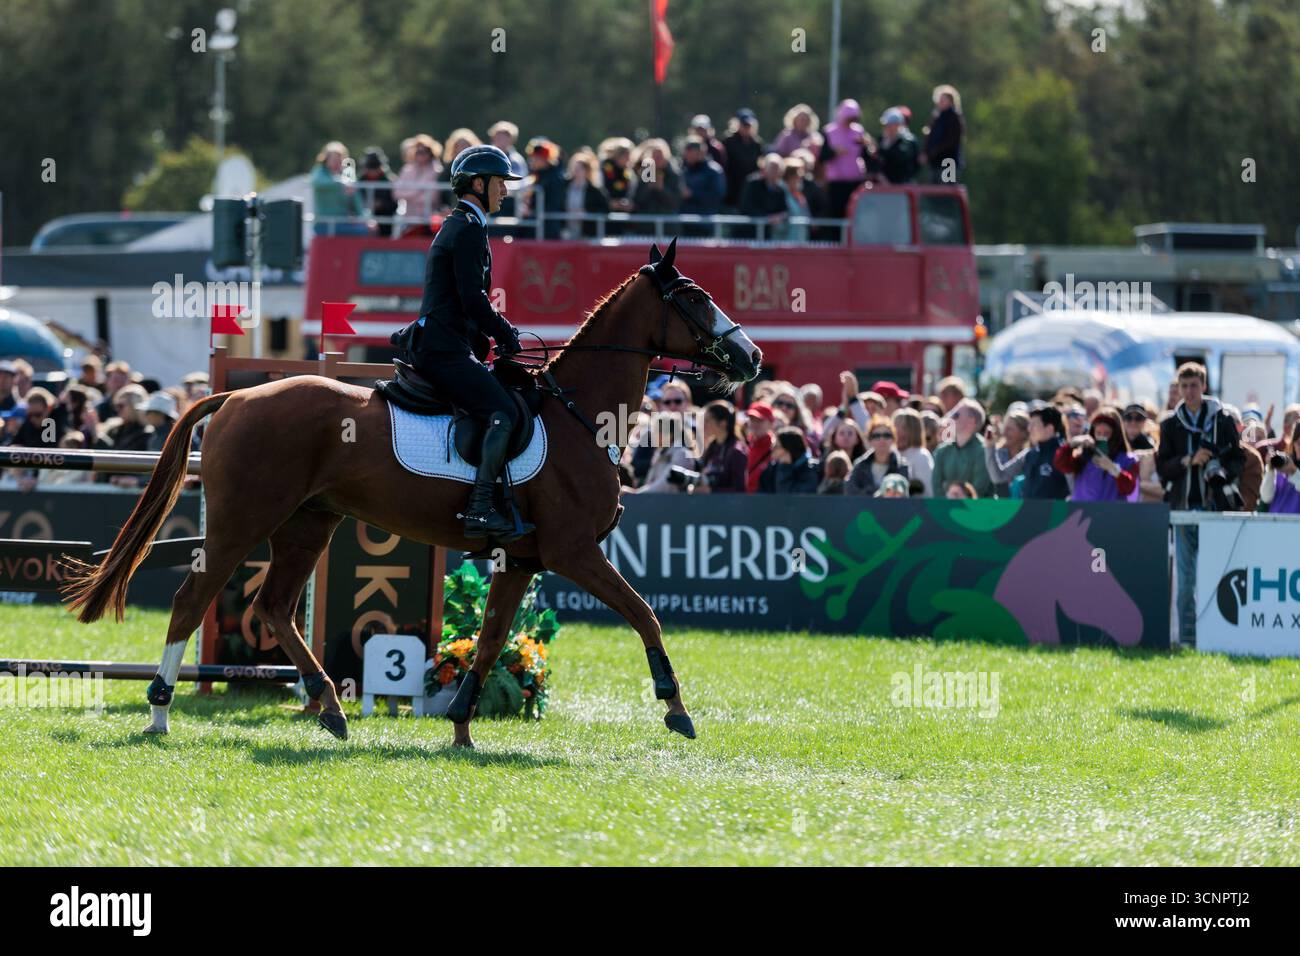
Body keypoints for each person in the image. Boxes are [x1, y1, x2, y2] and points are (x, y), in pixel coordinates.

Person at [389, 144, 530, 541]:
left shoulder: (465, 224)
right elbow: (473, 299)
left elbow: (463, 304)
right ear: (479, 184)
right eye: (500, 183)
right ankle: (480, 508)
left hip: (448, 343)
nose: (505, 191)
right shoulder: (467, 228)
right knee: (502, 410)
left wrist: (488, 342)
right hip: (442, 349)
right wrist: (506, 333)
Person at [1156, 362, 1246, 645]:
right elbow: (1163, 468)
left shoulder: (1222, 418)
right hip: (1183, 509)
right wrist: (1188, 461)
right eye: (1184, 386)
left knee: (1214, 578)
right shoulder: (1170, 424)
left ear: (1204, 386)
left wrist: (1219, 468)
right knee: (1184, 582)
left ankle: (1215, 639)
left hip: (1213, 508)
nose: (1189, 391)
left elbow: (1239, 459)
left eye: (1194, 385)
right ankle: (1186, 640)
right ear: (1178, 389)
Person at [985, 403, 1071, 500]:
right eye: (1030, 424)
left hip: (1055, 514)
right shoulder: (1029, 454)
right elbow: (999, 477)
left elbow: (1075, 492)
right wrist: (990, 447)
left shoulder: (1065, 455)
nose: (1029, 429)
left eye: (1034, 425)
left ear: (1049, 428)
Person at [1053, 407, 1140, 502]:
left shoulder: (1128, 460)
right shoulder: (1083, 457)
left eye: (1106, 434)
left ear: (1116, 435)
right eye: (1098, 433)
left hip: (1111, 514)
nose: (1102, 437)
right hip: (1082, 513)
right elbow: (1061, 465)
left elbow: (1129, 489)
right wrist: (1071, 444)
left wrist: (1113, 469)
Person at [932, 399, 994, 498]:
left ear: (971, 421)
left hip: (980, 511)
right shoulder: (941, 451)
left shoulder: (985, 451)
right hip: (944, 510)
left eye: (956, 415)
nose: (950, 417)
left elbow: (979, 491)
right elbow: (936, 488)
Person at [819, 99, 869, 217]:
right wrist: (834, 152)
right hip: (836, 183)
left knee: (857, 214)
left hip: (856, 180)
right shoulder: (829, 131)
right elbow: (822, 157)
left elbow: (865, 153)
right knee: (837, 212)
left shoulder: (859, 131)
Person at [310, 141, 366, 235]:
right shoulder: (319, 172)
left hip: (344, 222)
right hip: (323, 224)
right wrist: (341, 183)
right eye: (334, 159)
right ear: (326, 159)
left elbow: (356, 202)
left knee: (368, 229)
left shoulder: (347, 174)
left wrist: (364, 219)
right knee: (362, 231)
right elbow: (316, 183)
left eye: (340, 160)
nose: (337, 163)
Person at [693, 401, 748, 493]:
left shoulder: (737, 451)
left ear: (723, 423)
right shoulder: (713, 447)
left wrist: (711, 491)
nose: (703, 425)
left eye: (707, 420)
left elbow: (739, 490)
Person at [847, 416, 910, 495]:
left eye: (886, 435)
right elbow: (851, 492)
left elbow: (902, 495)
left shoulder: (902, 466)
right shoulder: (860, 465)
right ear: (869, 440)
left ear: (894, 439)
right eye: (876, 436)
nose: (882, 439)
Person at [393, 134, 443, 230]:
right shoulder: (406, 170)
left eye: (424, 152)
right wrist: (419, 191)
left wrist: (409, 194)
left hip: (429, 221)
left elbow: (433, 198)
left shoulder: (437, 171)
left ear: (431, 153)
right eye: (418, 152)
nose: (421, 155)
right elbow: (396, 194)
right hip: (407, 219)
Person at [562, 148, 609, 239]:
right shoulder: (563, 186)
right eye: (575, 168)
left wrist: (587, 213)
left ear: (587, 171)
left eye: (580, 169)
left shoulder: (595, 190)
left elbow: (605, 209)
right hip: (566, 232)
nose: (576, 171)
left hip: (587, 234)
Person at [722, 108, 764, 209]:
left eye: (749, 125)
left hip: (751, 189)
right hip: (733, 189)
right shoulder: (728, 142)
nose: (746, 127)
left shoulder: (757, 144)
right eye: (744, 124)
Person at [759, 427, 820, 493]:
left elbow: (789, 498)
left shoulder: (809, 470)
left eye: (777, 446)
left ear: (788, 449)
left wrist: (785, 467)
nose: (772, 449)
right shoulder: (772, 468)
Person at [923, 85, 965, 183]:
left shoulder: (954, 117)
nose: (940, 101)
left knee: (947, 194)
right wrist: (927, 152)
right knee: (933, 194)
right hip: (935, 163)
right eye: (939, 99)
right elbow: (929, 137)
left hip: (949, 163)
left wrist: (934, 151)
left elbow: (951, 141)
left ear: (951, 101)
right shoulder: (936, 117)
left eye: (943, 99)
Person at [679, 137, 726, 219]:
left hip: (706, 221)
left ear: (701, 152)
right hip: (685, 220)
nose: (686, 155)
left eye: (690, 151)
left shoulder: (714, 171)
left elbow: (717, 196)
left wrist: (692, 194)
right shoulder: (684, 170)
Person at [358, 147, 398, 237]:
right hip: (363, 222)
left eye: (374, 167)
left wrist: (381, 204)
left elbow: (394, 205)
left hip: (384, 223)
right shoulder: (360, 181)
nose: (372, 171)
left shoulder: (389, 181)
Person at [893, 408, 934, 496]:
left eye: (904, 428)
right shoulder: (890, 454)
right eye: (895, 427)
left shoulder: (921, 456)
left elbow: (928, 492)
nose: (897, 432)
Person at [1260, 429, 1300, 514]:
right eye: (1299, 444)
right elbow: (1266, 498)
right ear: (1293, 445)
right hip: (1276, 523)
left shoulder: (1291, 468)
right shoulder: (1284, 465)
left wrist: (1294, 472)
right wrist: (1270, 471)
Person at [876, 107, 919, 184]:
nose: (887, 128)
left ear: (898, 125)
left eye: (890, 125)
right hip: (885, 184)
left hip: (904, 184)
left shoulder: (908, 140)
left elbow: (900, 158)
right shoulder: (883, 140)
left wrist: (883, 149)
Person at [744, 401, 777, 492]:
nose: (755, 424)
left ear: (771, 423)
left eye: (760, 420)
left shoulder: (776, 448)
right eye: (752, 419)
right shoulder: (744, 444)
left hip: (763, 502)